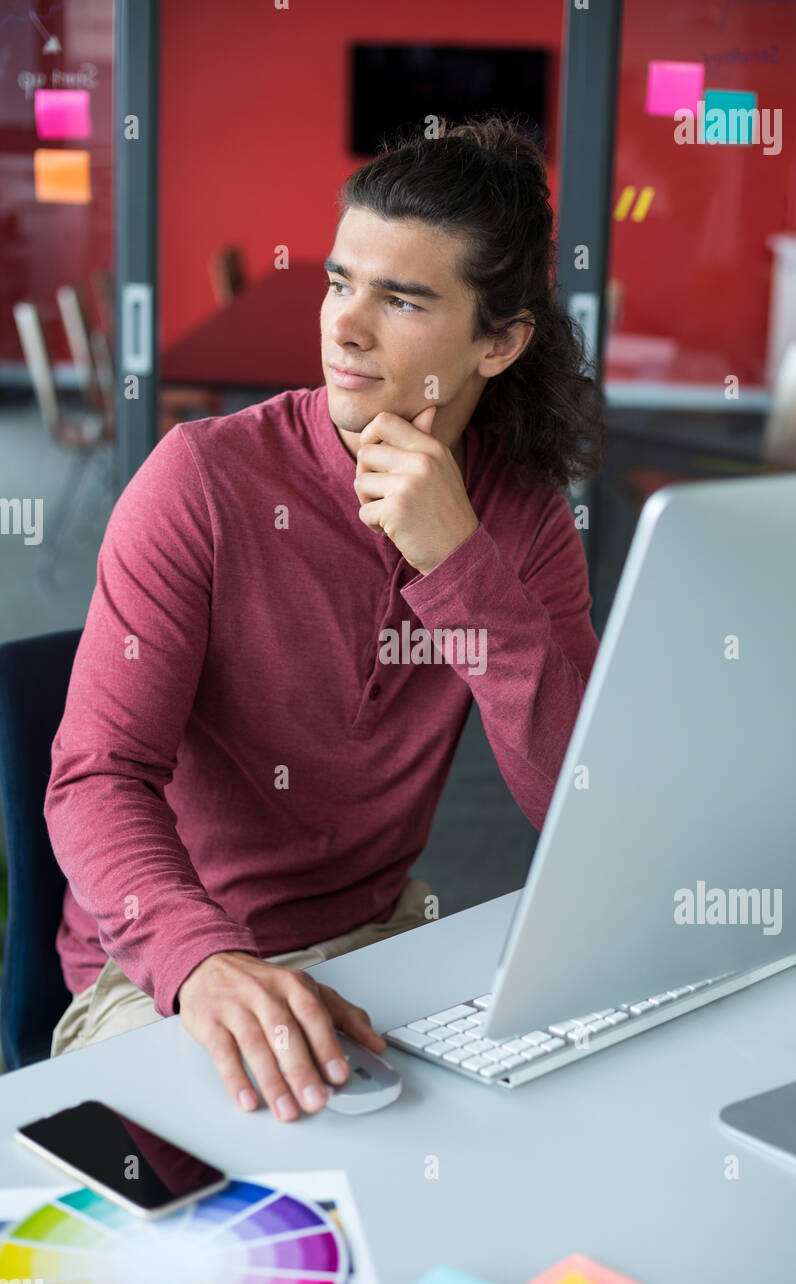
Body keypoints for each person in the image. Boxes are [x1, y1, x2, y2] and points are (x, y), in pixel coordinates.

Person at [45, 115, 603, 1121]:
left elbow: (582, 803)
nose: (344, 327)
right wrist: (204, 960)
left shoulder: (517, 515)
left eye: (399, 299)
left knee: (547, 1129)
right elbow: (95, 777)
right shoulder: (203, 481)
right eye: (339, 282)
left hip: (384, 933)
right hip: (164, 963)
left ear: (498, 340)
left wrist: (457, 563)